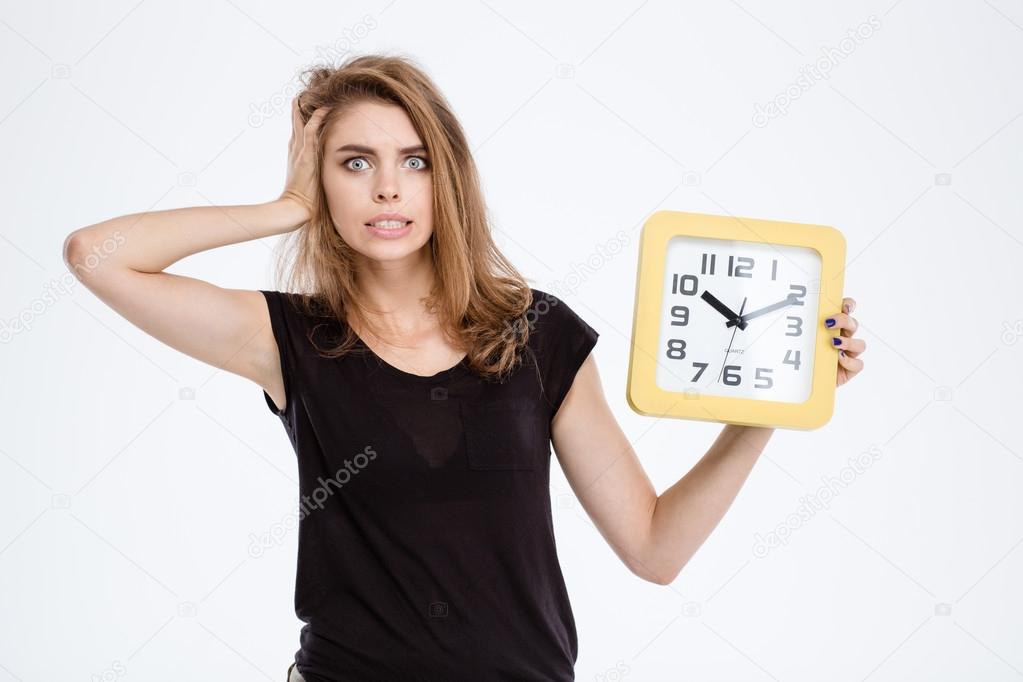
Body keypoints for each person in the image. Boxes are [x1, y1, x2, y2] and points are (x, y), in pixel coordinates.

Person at [63, 54, 866, 682]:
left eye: (413, 161)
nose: (386, 187)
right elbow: (95, 256)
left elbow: (653, 549)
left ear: (447, 178)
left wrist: (770, 406)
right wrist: (284, 208)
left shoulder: (535, 333)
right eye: (353, 163)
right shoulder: (287, 336)